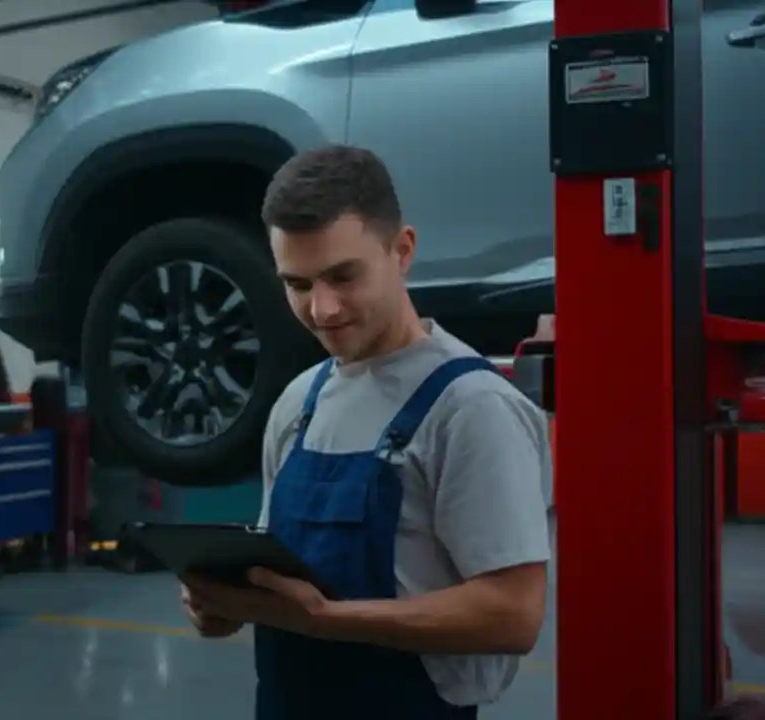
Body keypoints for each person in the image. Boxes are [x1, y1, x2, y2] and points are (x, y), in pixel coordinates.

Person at [180, 145, 554, 720]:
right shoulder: (297, 404)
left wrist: (326, 621)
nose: (322, 309)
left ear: (401, 250)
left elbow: (513, 614)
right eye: (298, 284)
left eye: (341, 276)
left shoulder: (470, 407)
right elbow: (276, 569)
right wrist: (230, 603)